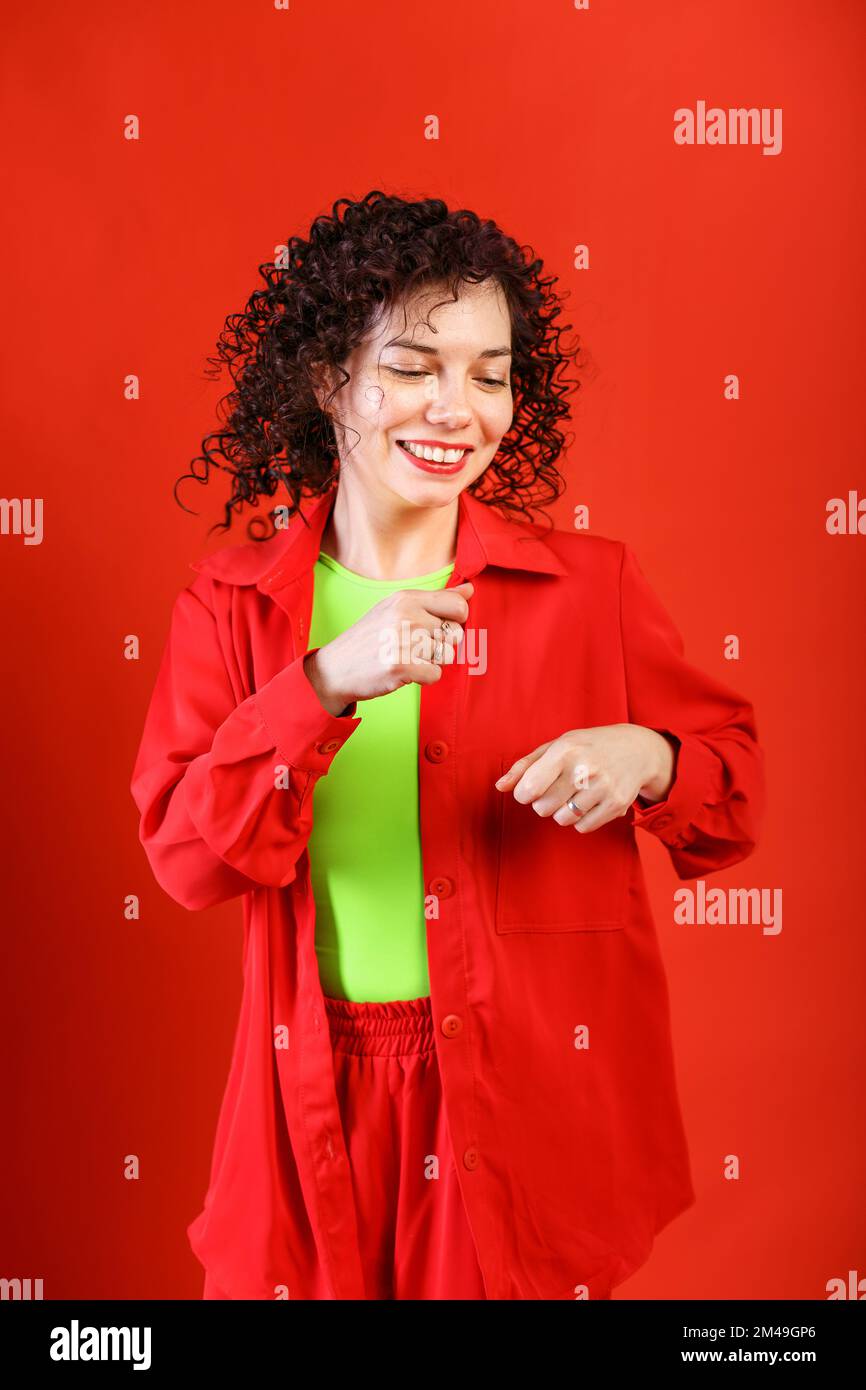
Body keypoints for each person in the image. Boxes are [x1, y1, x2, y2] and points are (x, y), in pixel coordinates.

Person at [129, 190, 764, 1300]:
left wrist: (650, 756)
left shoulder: (591, 588)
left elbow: (733, 795)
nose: (456, 407)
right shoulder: (231, 605)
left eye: (489, 372)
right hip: (310, 1087)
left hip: (522, 1099)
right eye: (415, 365)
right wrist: (325, 681)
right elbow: (188, 861)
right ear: (329, 379)